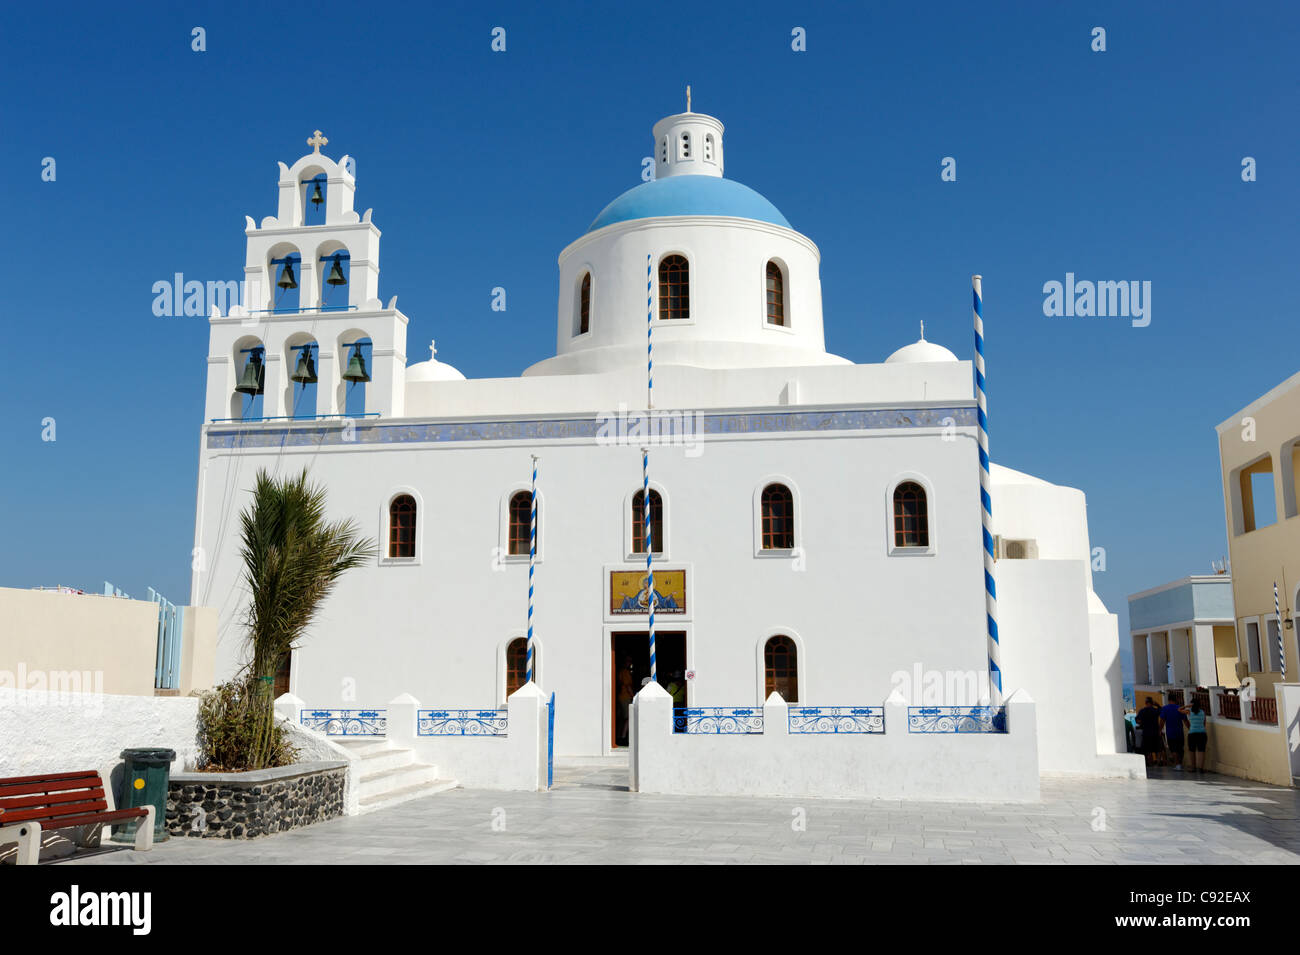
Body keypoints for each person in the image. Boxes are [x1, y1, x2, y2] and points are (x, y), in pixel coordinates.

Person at [1159, 696, 1190, 771]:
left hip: (1170, 733)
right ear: (1176, 700)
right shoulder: (1180, 708)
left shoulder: (1165, 708)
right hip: (1179, 732)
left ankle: (1177, 764)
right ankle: (1180, 763)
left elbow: (1162, 720)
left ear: (1168, 700)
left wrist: (1159, 730)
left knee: (1173, 749)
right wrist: (1190, 728)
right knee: (1180, 749)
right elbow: (1185, 720)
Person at [1135, 698, 1162, 766]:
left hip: (1146, 732)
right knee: (1158, 748)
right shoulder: (1155, 710)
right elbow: (1162, 710)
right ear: (1152, 703)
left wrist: (1142, 723)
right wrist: (1157, 705)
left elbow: (1137, 720)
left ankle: (1151, 763)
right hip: (1155, 732)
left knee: (1148, 749)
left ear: (1146, 703)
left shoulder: (1142, 711)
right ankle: (1158, 762)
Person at [1186, 699, 1208, 773]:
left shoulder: (1189, 711)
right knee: (1202, 751)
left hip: (1192, 733)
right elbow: (1204, 723)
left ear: (1192, 705)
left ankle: (1193, 767)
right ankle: (1201, 768)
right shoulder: (1203, 712)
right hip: (1202, 733)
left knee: (1192, 750)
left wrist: (1187, 706)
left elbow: (1179, 709)